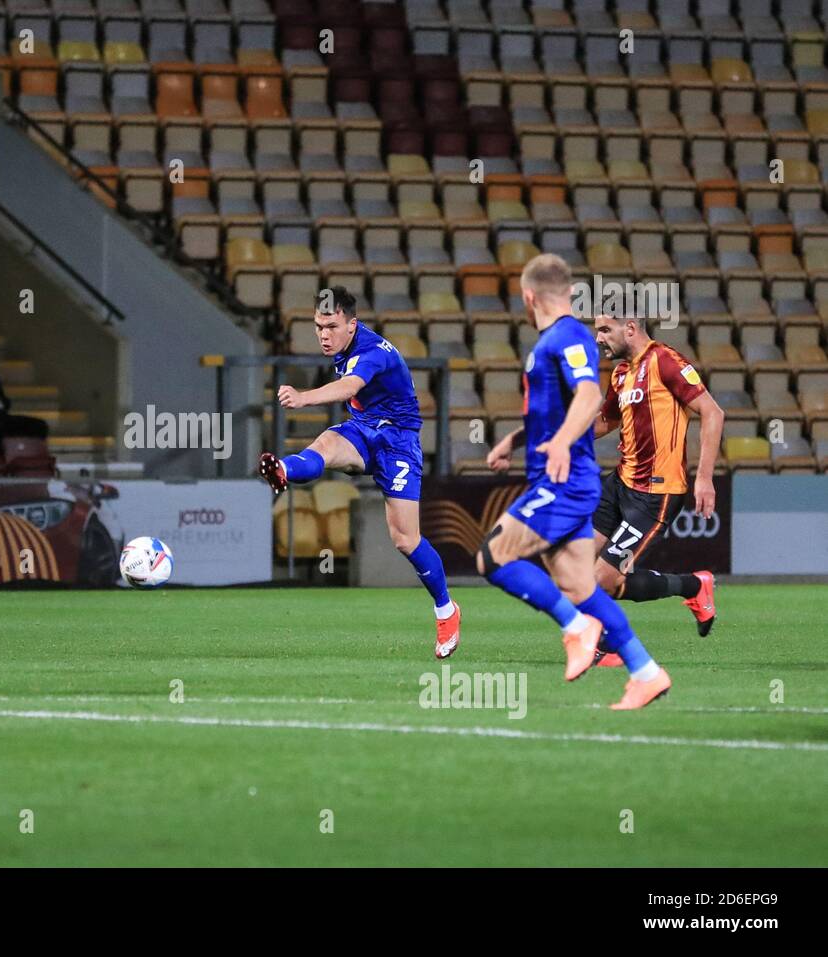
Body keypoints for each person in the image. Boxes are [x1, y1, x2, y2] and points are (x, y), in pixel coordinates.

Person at [481, 255, 670, 710]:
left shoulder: (568, 337)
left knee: (492, 557)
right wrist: (517, 438)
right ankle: (646, 672)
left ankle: (575, 627)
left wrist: (563, 442)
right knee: (582, 588)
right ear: (568, 294)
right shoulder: (558, 339)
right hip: (563, 477)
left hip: (564, 482)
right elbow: (560, 407)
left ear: (529, 297)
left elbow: (587, 395)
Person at [258, 286, 462, 659]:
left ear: (352, 325)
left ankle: (446, 610)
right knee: (323, 446)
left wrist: (303, 397)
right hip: (364, 428)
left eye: (331, 326)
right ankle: (284, 469)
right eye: (318, 326)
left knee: (405, 539)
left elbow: (350, 386)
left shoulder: (372, 352)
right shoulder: (343, 345)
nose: (323, 334)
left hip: (399, 442)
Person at [590, 312, 724, 666]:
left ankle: (689, 589)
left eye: (605, 330)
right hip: (620, 484)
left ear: (630, 328)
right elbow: (606, 421)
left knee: (602, 580)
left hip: (655, 495)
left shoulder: (664, 360)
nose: (599, 338)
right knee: (575, 566)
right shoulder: (621, 374)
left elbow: (713, 413)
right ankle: (695, 588)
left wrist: (704, 477)